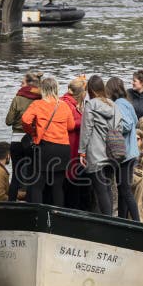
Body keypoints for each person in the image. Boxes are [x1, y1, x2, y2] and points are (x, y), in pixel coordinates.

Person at [20, 77, 75, 206]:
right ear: (56, 89)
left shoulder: (37, 104)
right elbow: (71, 126)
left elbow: (25, 120)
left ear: (43, 90)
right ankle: (57, 216)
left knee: (38, 185)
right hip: (63, 149)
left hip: (46, 148)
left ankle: (38, 215)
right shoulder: (64, 105)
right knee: (58, 186)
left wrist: (33, 132)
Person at [79, 75, 122, 216]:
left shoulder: (90, 105)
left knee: (100, 190)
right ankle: (111, 219)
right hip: (112, 152)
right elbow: (119, 127)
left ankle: (108, 221)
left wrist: (82, 151)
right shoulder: (113, 104)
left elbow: (86, 130)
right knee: (108, 188)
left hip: (95, 152)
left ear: (90, 90)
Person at [106, 76, 140, 221]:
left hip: (125, 153)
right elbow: (136, 121)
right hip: (131, 152)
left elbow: (127, 124)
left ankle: (137, 222)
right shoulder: (126, 102)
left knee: (125, 190)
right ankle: (122, 219)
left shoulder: (119, 104)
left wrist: (112, 128)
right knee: (122, 189)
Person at [5, 71, 42, 202]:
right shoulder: (40, 99)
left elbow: (8, 121)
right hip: (32, 140)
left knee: (16, 174)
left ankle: (10, 204)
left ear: (28, 84)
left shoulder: (18, 98)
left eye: (22, 83)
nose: (20, 85)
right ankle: (30, 204)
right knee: (32, 174)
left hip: (16, 140)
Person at [61, 77, 90, 211]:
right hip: (71, 145)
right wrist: (85, 120)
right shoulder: (68, 104)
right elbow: (70, 123)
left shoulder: (68, 102)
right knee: (71, 177)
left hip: (73, 146)